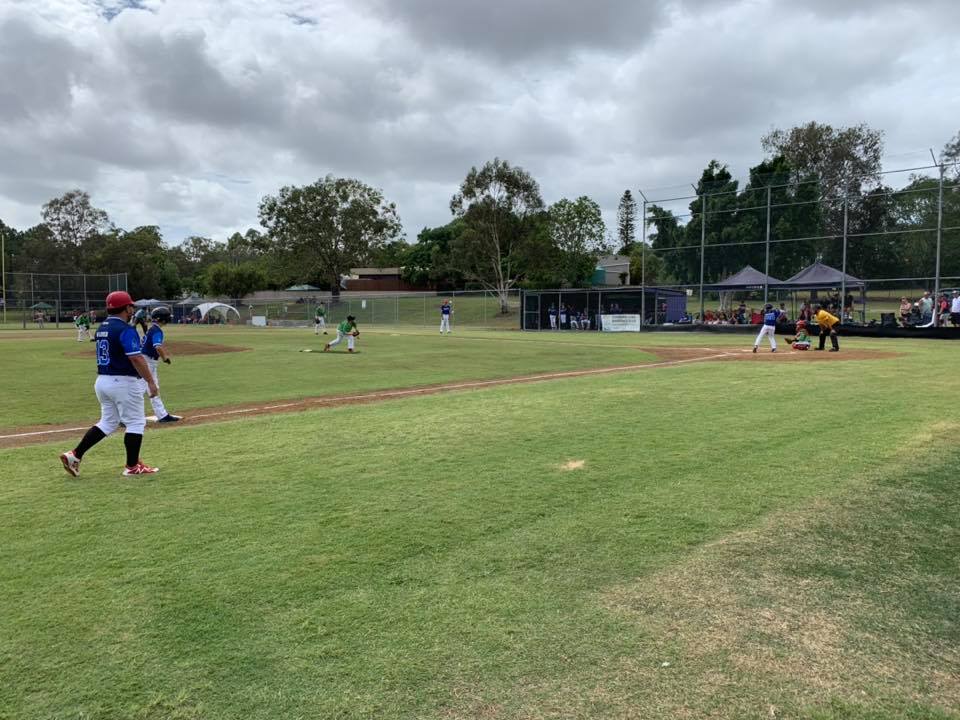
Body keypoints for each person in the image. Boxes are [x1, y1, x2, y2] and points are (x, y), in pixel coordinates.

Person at [58, 291, 160, 477]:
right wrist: (151, 382)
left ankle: (75, 455)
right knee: (136, 422)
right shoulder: (126, 330)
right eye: (131, 306)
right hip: (123, 381)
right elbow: (136, 358)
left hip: (103, 381)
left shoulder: (102, 326)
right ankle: (132, 467)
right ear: (126, 308)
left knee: (108, 422)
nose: (132, 310)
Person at [141, 306, 182, 424]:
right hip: (147, 362)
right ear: (163, 320)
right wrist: (165, 358)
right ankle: (125, 417)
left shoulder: (152, 329)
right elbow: (157, 346)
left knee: (151, 388)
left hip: (146, 361)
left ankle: (162, 415)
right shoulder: (157, 331)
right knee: (141, 389)